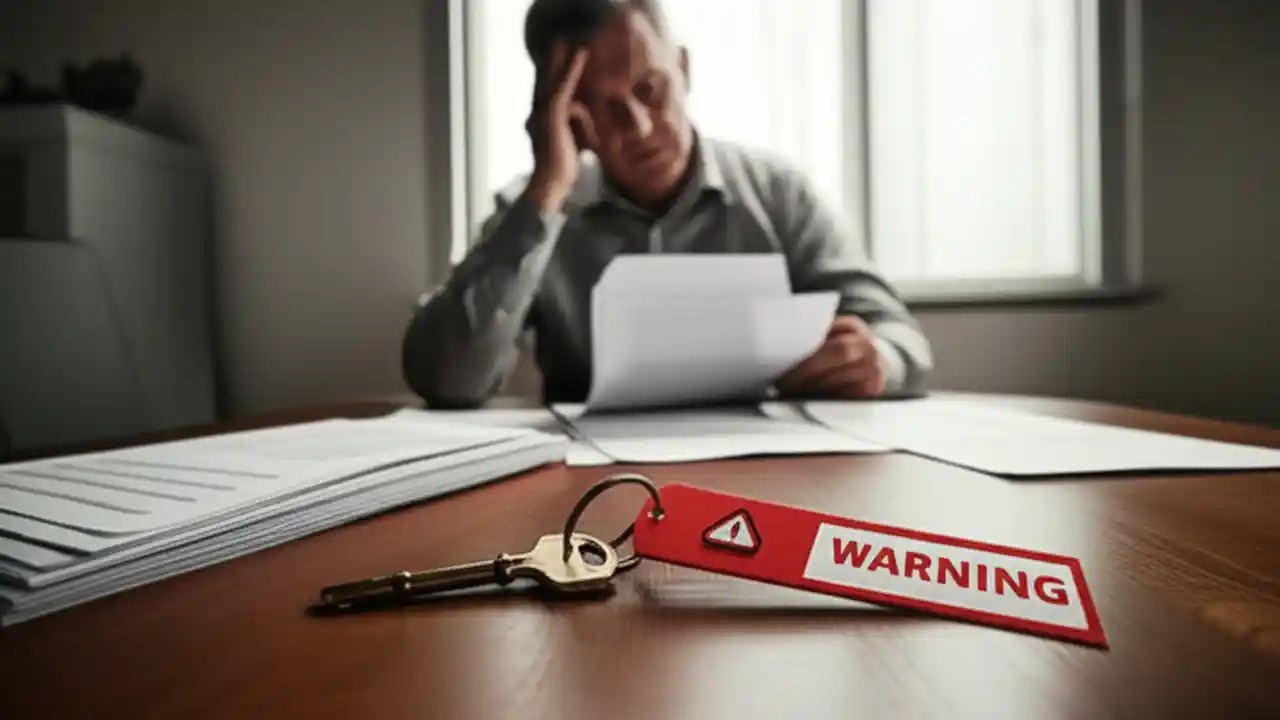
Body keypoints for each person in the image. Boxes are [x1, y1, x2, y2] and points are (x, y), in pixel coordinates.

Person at [403, 0, 933, 408]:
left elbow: (901, 337)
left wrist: (878, 360)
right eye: (603, 108)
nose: (639, 126)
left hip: (767, 473)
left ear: (684, 69)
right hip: (586, 492)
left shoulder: (778, 193)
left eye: (651, 89)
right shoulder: (529, 211)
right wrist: (547, 187)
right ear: (565, 117)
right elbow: (446, 381)